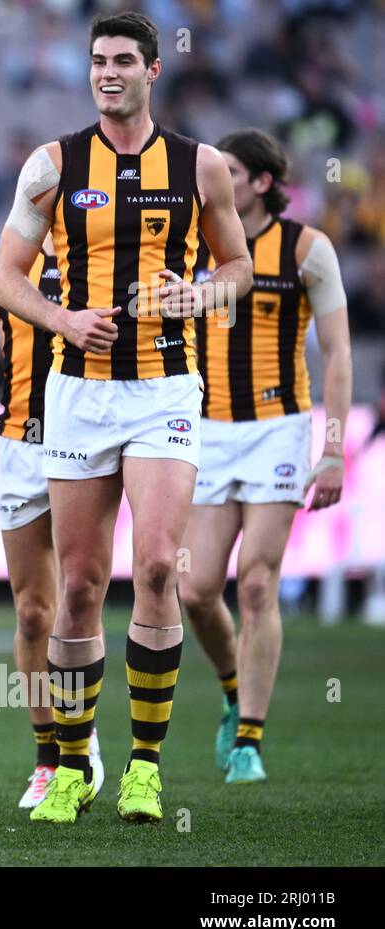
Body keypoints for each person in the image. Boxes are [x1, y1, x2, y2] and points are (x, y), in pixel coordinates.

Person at [0, 11, 252, 824]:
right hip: (76, 390)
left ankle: (144, 765)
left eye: (122, 61)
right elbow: (4, 273)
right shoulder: (53, 163)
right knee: (76, 586)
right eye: (98, 61)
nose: (108, 73)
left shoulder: (202, 166)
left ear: (152, 70)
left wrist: (199, 292)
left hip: (166, 388)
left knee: (159, 571)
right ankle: (71, 766)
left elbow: (239, 268)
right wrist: (64, 321)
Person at [179, 128, 351, 784]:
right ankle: (230, 690)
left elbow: (336, 354)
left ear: (258, 181)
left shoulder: (308, 249)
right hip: (206, 426)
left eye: (224, 170)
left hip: (278, 426)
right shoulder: (195, 243)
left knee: (255, 582)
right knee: (195, 589)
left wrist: (330, 450)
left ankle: (249, 737)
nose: (210, 179)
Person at [0, 240, 106, 809]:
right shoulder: (3, 263)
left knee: (80, 596)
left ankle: (78, 744)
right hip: (20, 443)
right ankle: (48, 754)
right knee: (34, 611)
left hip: (87, 441)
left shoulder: (106, 253)